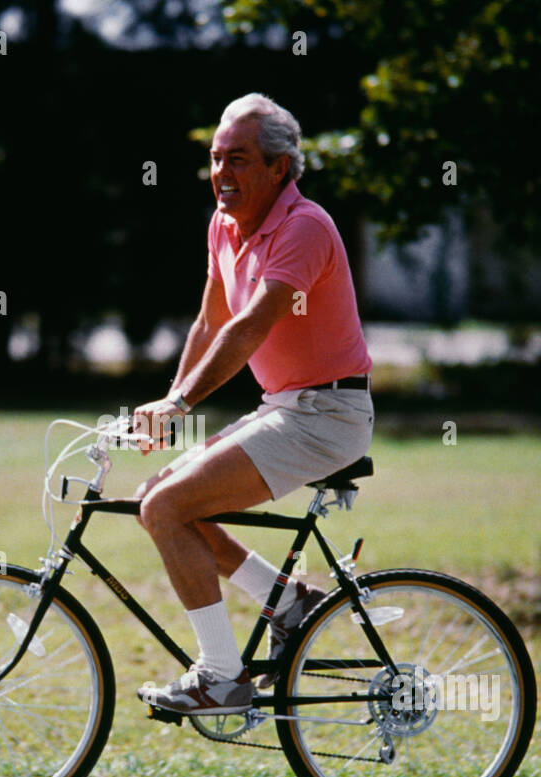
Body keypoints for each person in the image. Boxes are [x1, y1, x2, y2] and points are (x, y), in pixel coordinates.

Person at [134, 93, 374, 715]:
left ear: (278, 167)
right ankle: (290, 602)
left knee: (166, 506)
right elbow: (210, 320)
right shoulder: (224, 226)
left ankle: (222, 677)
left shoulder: (304, 227)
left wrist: (182, 402)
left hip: (327, 417)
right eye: (216, 159)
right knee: (158, 496)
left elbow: (247, 328)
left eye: (237, 159)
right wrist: (168, 401)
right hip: (286, 407)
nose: (222, 174)